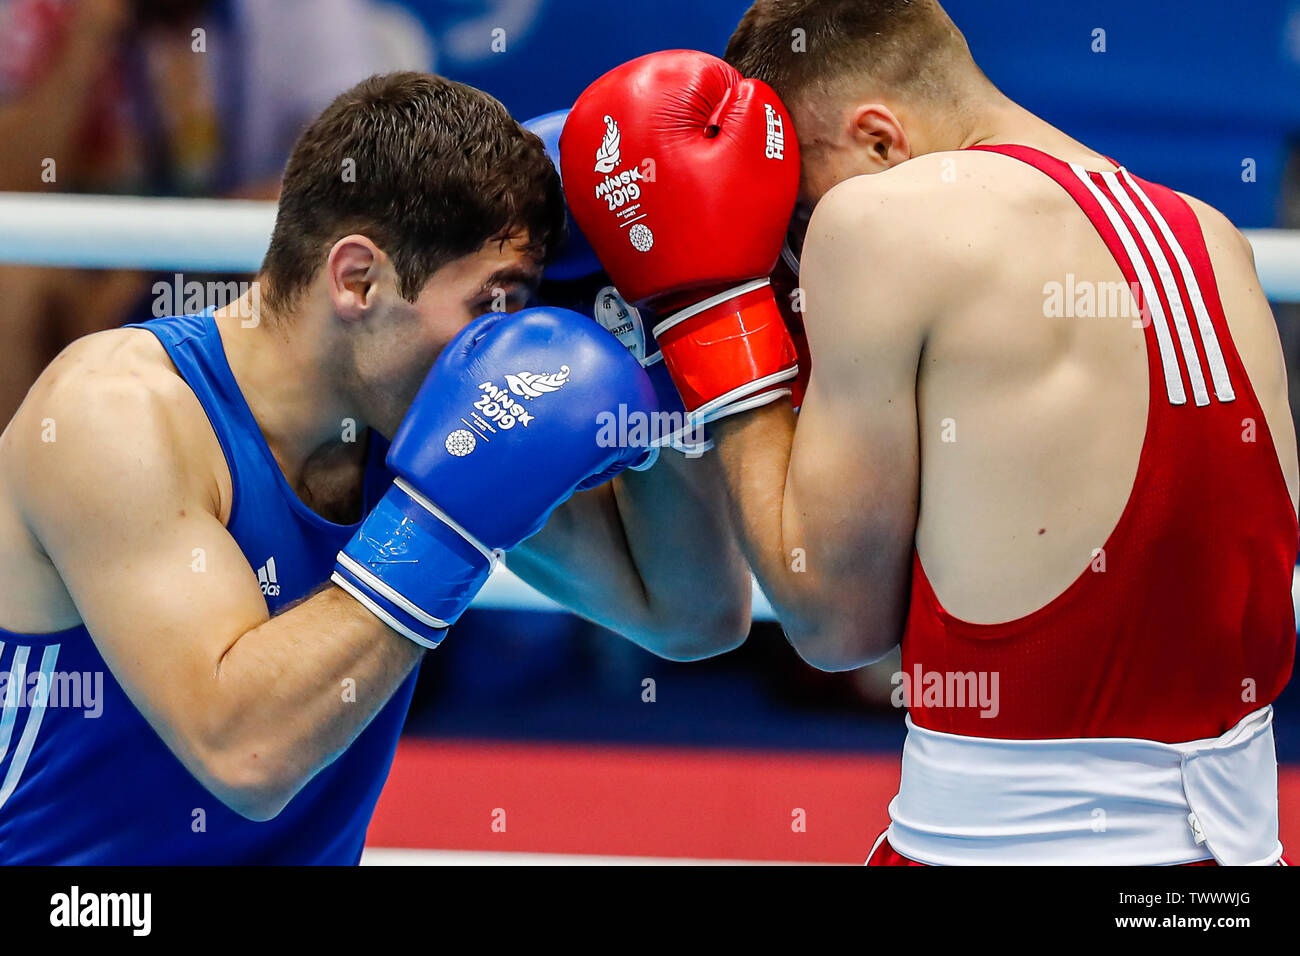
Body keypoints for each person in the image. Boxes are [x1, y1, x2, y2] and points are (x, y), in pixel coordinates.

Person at [560, 0, 1298, 866]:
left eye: (794, 212)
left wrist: (705, 308)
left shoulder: (885, 220)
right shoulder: (1209, 237)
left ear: (879, 140)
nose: (795, 251)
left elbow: (833, 627)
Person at [0, 71, 752, 864]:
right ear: (358, 278)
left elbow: (691, 616)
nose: (507, 344)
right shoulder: (114, 415)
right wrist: (442, 526)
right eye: (493, 302)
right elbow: (245, 754)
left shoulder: (407, 416)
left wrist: (652, 337)